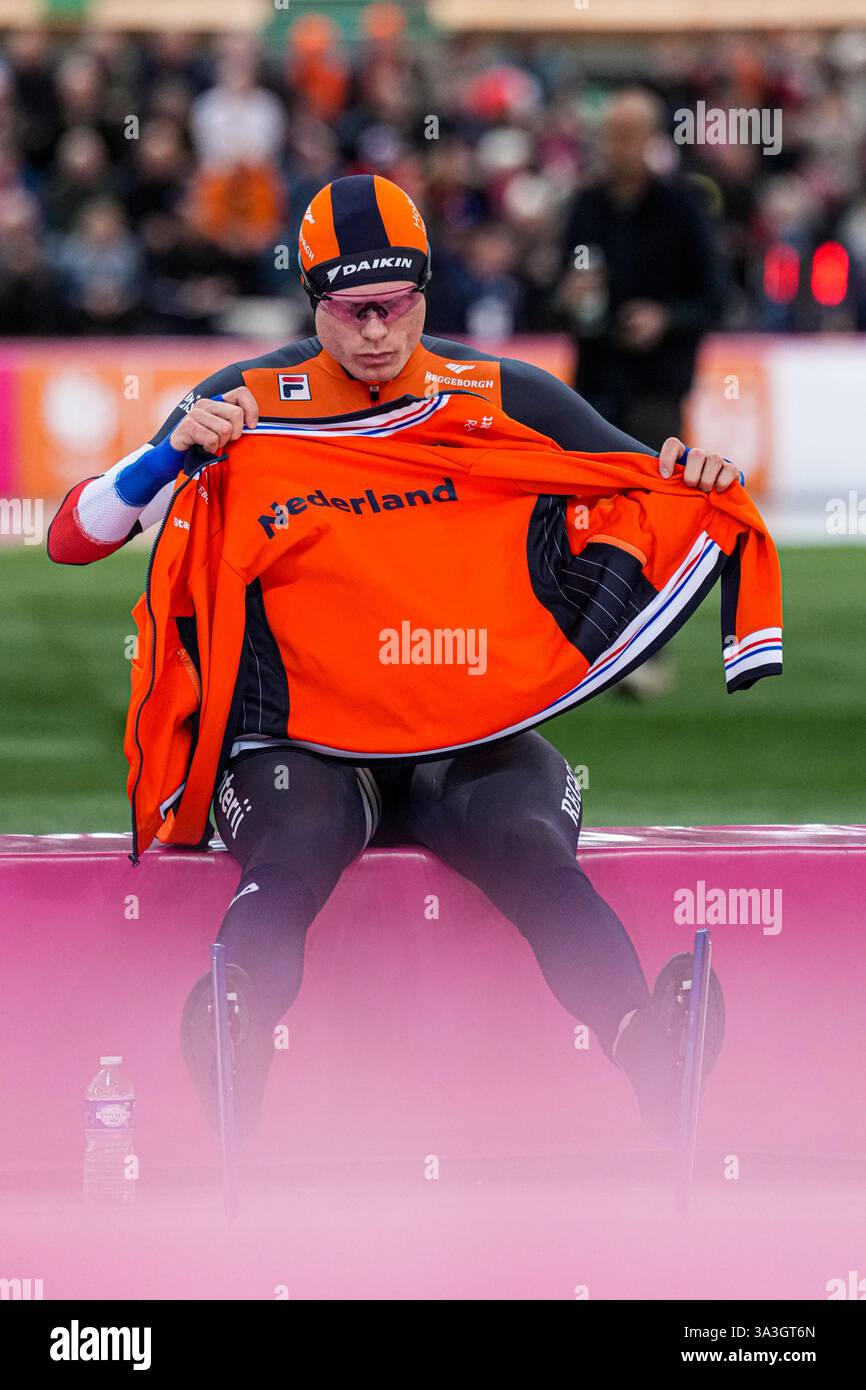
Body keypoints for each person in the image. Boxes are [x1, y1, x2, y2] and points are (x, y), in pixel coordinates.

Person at [48, 174, 732, 1144]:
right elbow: (74, 535)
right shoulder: (243, 404)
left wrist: (692, 474)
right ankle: (231, 1035)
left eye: (397, 306)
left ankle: (647, 1049)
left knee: (533, 846)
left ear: (424, 291)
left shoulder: (501, 394)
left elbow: (637, 484)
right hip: (307, 734)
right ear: (312, 301)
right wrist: (168, 458)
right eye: (351, 310)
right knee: (288, 851)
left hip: (458, 724)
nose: (376, 332)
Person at [557, 89, 726, 697]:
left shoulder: (682, 208)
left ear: (651, 139)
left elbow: (714, 299)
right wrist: (571, 298)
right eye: (612, 134)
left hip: (656, 385)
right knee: (589, 514)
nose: (618, 147)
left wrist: (665, 319)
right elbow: (559, 286)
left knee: (655, 516)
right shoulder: (585, 207)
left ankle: (648, 647)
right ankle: (594, 642)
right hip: (596, 382)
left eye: (629, 135)